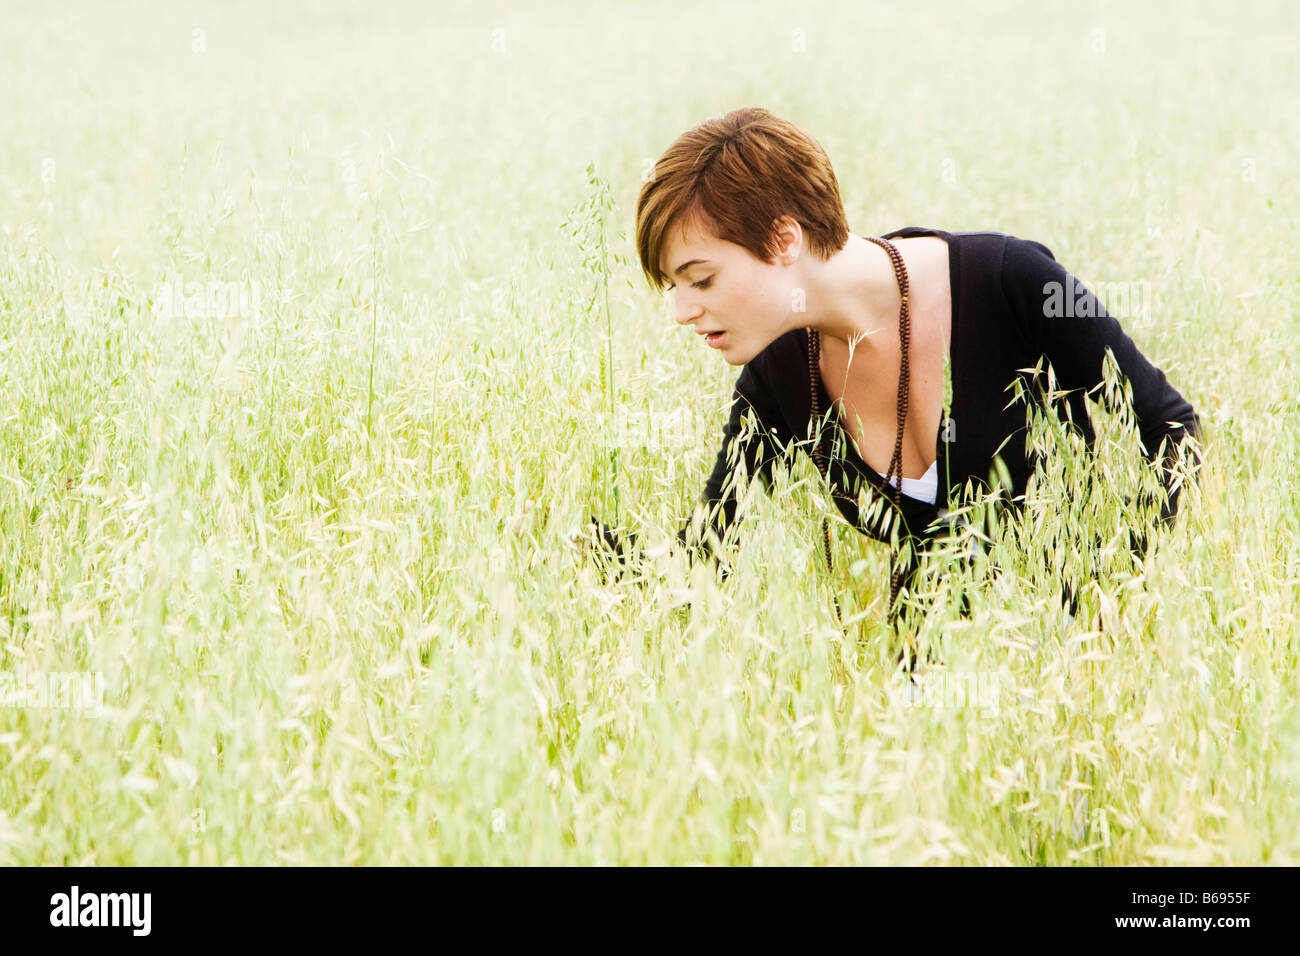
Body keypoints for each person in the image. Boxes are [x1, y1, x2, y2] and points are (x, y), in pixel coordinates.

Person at [578, 107, 1203, 651]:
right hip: (925, 702)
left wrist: (1117, 583)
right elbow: (707, 555)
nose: (682, 311)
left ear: (783, 239)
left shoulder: (1009, 281)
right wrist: (560, 551)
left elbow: (1174, 429)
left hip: (1079, 685)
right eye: (675, 287)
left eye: (702, 279)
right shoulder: (778, 376)